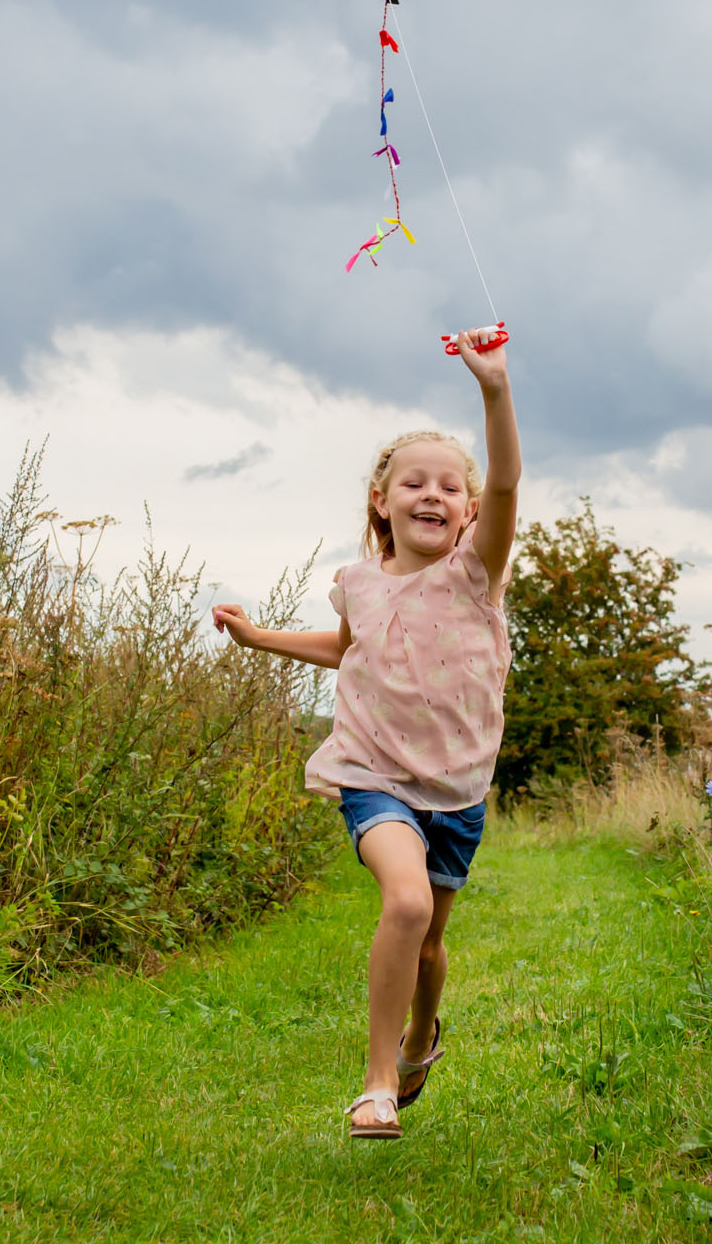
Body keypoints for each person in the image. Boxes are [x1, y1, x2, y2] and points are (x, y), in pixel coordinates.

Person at [213, 328, 520, 1140]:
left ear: (469, 511)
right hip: (373, 771)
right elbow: (346, 650)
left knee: (427, 945)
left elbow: (510, 482)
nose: (432, 494)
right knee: (406, 900)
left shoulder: (474, 575)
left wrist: (494, 390)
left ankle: (422, 1036)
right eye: (412, 482)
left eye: (450, 486)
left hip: (457, 787)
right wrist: (260, 638)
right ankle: (377, 1082)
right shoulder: (359, 584)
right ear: (380, 503)